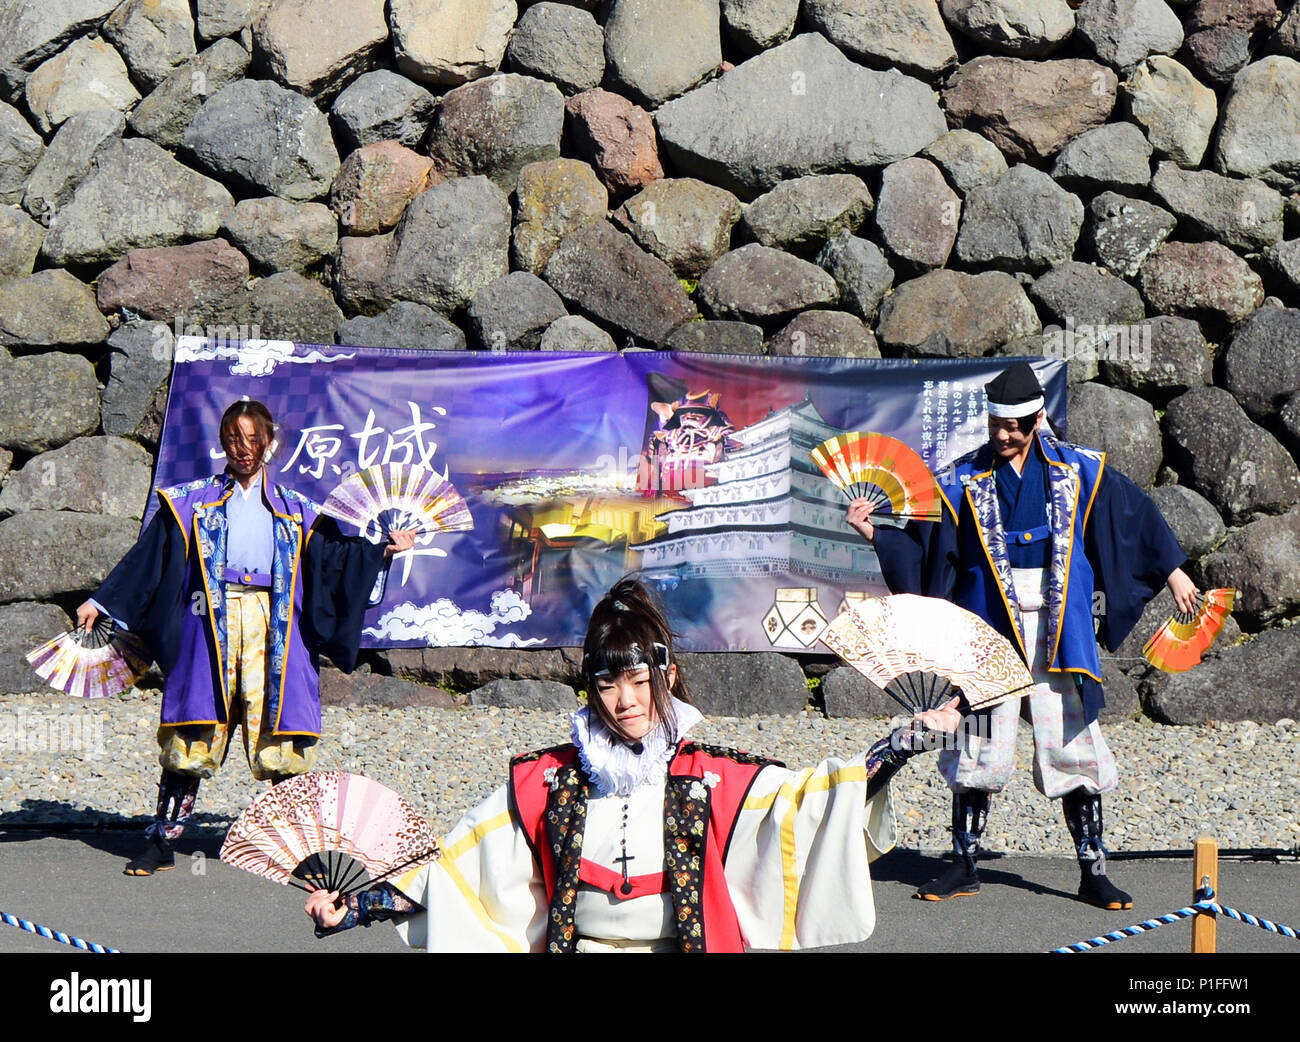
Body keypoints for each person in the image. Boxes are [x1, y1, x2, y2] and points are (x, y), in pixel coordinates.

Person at [304, 578, 962, 952]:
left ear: (668, 676)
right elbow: (459, 867)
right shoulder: (548, 780)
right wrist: (358, 907)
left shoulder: (709, 773)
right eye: (608, 684)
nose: (626, 701)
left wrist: (901, 743)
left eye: (639, 681)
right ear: (591, 687)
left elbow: (809, 804)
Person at [847, 363, 1197, 910]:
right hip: (991, 629)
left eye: (1015, 426)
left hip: (1060, 629)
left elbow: (1132, 516)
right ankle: (963, 864)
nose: (1004, 436)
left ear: (1036, 420)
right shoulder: (963, 478)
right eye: (996, 425)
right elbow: (927, 546)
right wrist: (874, 533)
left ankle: (1093, 870)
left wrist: (1173, 571)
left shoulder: (1078, 469)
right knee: (979, 745)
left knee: (1072, 744)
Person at [79, 400, 413, 876]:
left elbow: (337, 561)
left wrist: (382, 550)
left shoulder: (298, 511)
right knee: (191, 734)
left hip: (274, 623)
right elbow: (147, 560)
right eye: (233, 440)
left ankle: (300, 852)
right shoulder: (190, 504)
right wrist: (103, 601)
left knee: (282, 743)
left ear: (270, 444)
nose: (242, 449)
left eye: (252, 440)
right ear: (222, 444)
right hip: (207, 624)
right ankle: (162, 841)